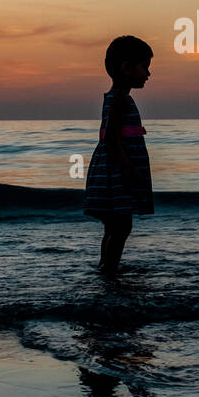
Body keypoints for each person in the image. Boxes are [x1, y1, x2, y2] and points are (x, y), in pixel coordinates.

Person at [84, 36, 154, 274]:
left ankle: (105, 267)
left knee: (114, 226)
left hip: (111, 170)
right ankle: (109, 269)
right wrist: (129, 171)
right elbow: (113, 141)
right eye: (144, 66)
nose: (148, 73)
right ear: (127, 68)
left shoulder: (116, 98)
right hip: (117, 173)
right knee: (121, 226)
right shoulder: (121, 101)